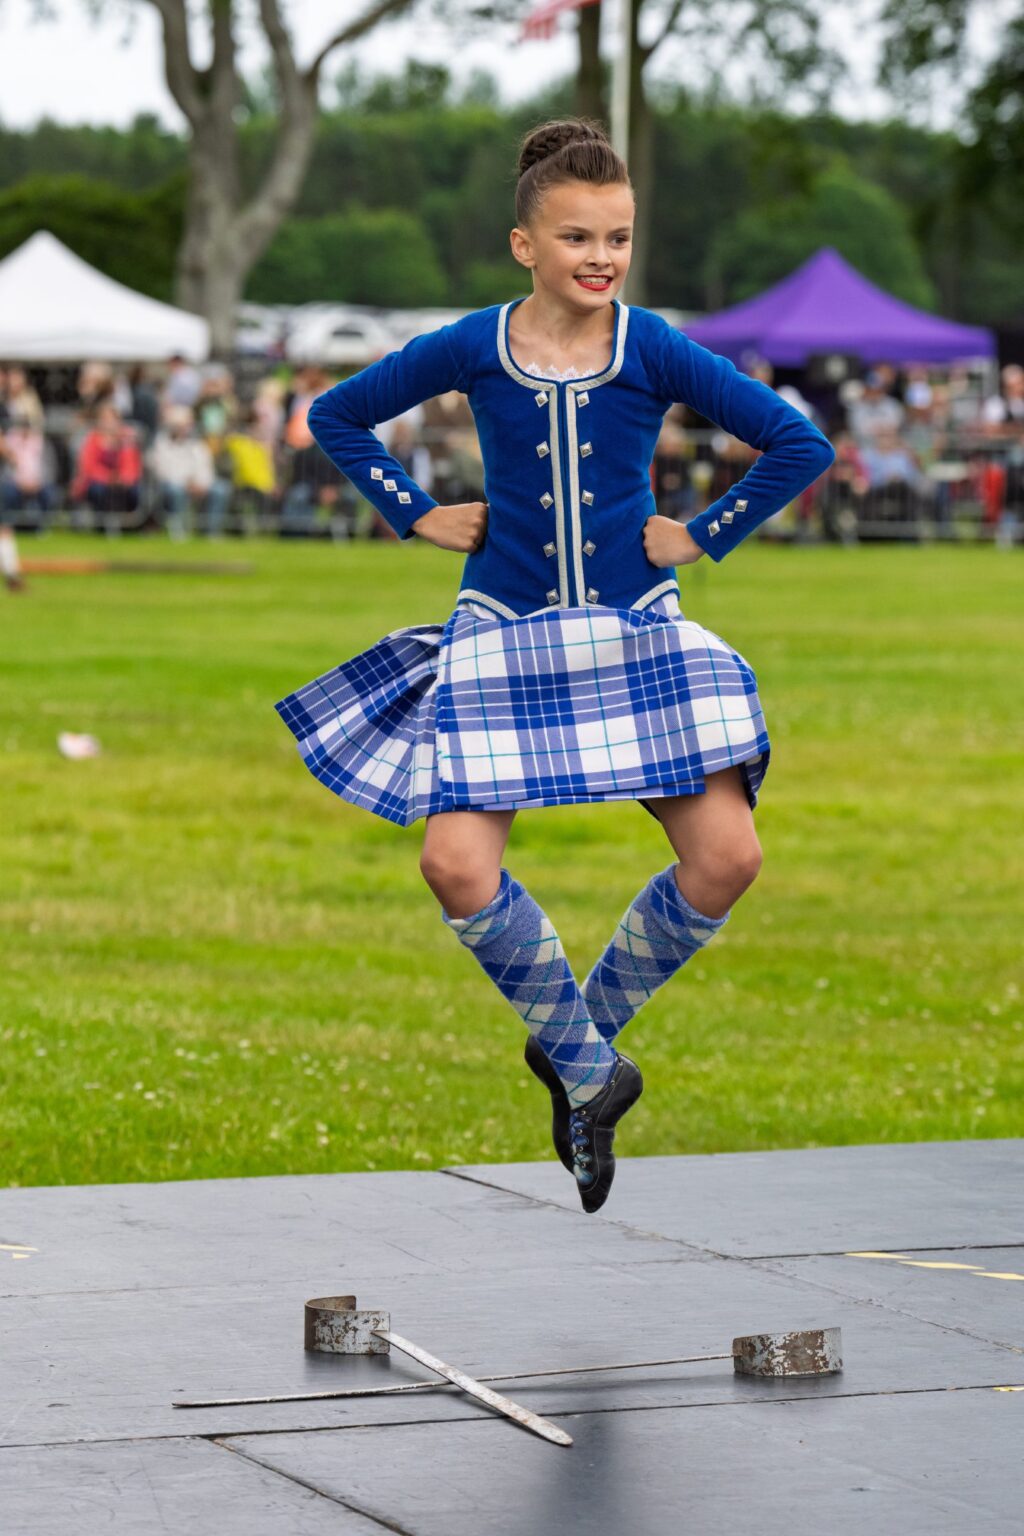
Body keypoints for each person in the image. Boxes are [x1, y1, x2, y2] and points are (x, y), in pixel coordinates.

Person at [273, 119, 835, 1214]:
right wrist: (414, 515)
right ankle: (587, 1071)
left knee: (727, 858)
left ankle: (583, 1048)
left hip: (634, 630)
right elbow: (335, 415)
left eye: (617, 237)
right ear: (523, 244)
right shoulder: (476, 343)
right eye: (576, 236)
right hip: (502, 627)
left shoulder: (655, 345)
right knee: (452, 866)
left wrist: (702, 533)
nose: (600, 257)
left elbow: (798, 442)